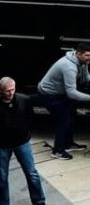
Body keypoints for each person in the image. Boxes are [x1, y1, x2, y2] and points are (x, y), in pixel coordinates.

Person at [36, 43, 90, 160]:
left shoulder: (82, 62)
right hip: (48, 95)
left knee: (72, 114)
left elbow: (86, 78)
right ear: (78, 54)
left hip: (60, 93)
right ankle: (58, 150)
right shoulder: (69, 66)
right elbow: (71, 92)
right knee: (64, 118)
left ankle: (68, 143)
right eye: (87, 55)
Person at [0, 76, 45, 205]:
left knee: (32, 174)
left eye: (12, 89)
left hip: (22, 141)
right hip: (2, 144)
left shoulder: (23, 100)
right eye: (7, 90)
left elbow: (31, 117)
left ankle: (39, 201)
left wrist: (25, 129)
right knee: (1, 178)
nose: (10, 93)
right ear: (1, 91)